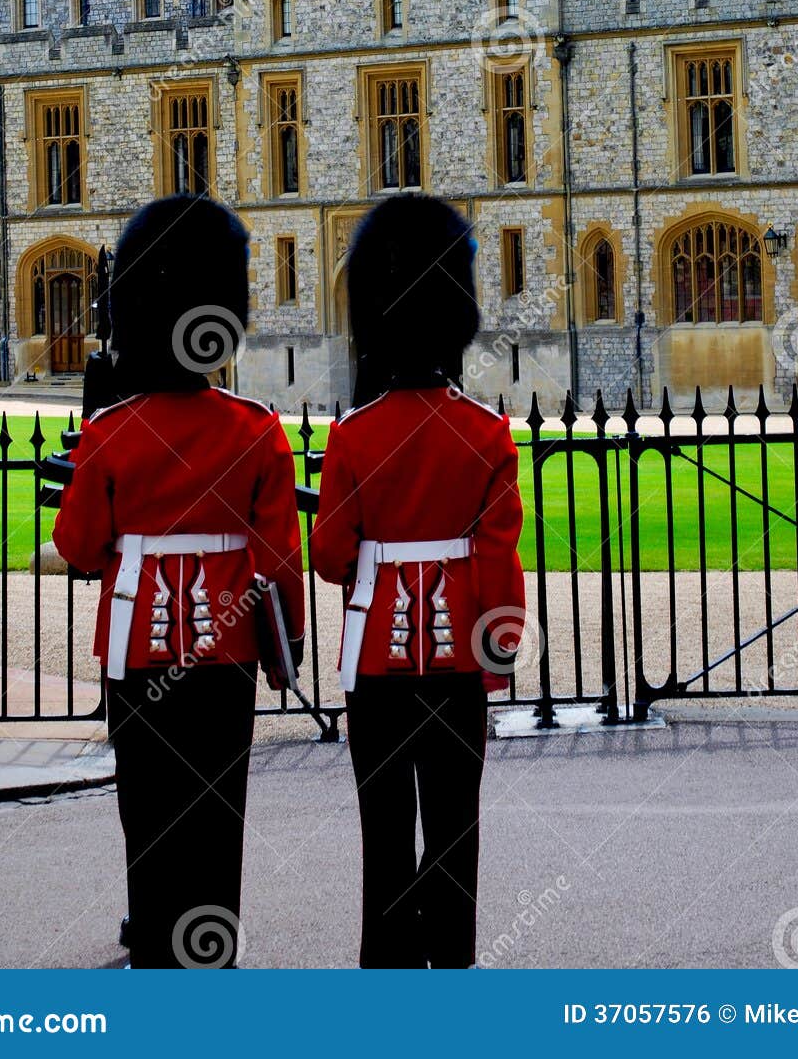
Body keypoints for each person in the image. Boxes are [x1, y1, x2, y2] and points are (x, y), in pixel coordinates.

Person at [53, 193, 304, 969]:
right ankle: (209, 947)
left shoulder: (110, 433)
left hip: (137, 649)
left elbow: (77, 545)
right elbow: (278, 559)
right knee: (218, 805)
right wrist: (285, 648)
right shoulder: (255, 428)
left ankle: (155, 943)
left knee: (147, 804)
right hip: (225, 649)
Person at [311, 194, 525, 969]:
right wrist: (498, 655)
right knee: (454, 821)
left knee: (383, 826)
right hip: (457, 665)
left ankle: (389, 964)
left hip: (375, 667)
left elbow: (329, 556)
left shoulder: (353, 436)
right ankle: (451, 960)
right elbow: (498, 563)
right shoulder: (485, 434)